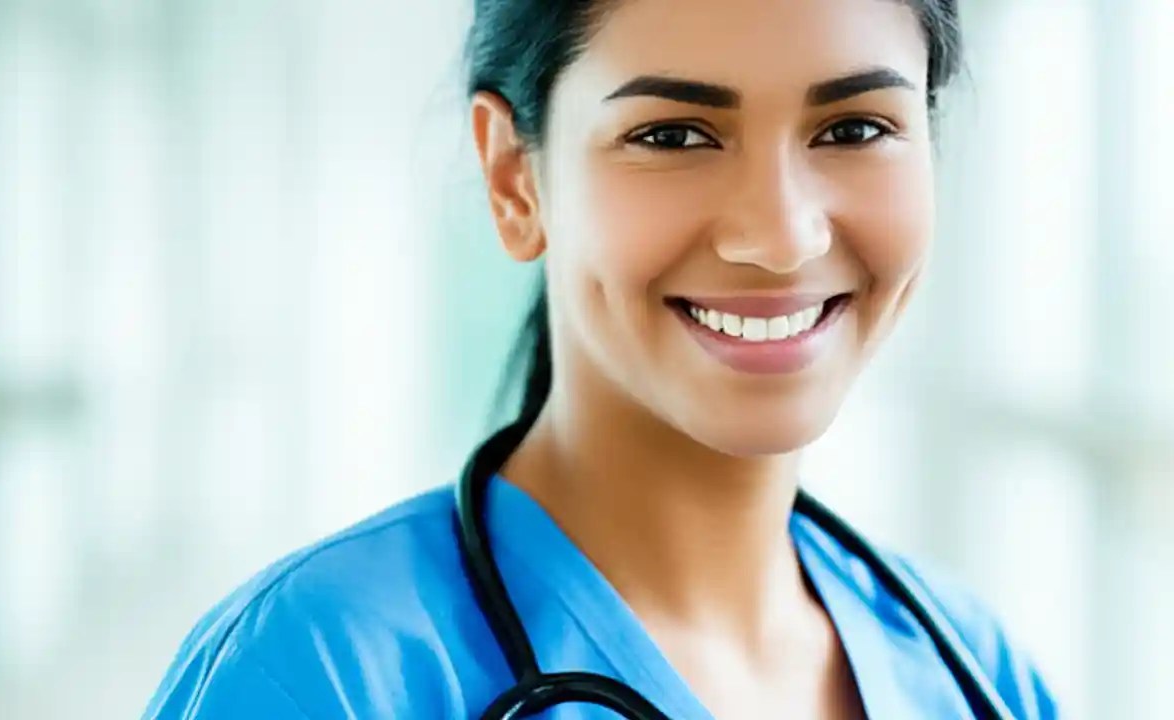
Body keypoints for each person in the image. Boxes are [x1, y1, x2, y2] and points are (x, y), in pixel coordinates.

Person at [143, 0, 1062, 717]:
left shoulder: (975, 668)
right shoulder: (315, 674)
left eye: (856, 128)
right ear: (514, 179)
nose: (783, 236)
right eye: (672, 135)